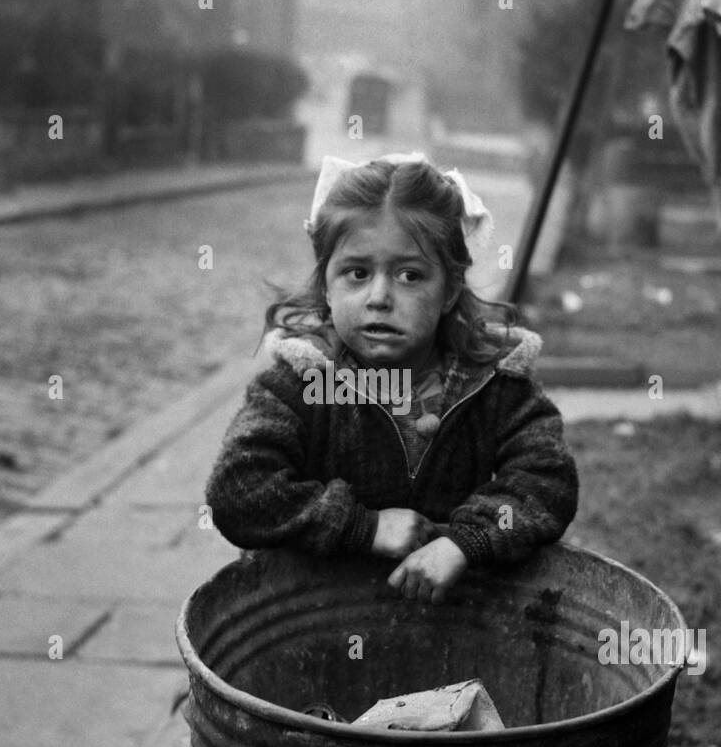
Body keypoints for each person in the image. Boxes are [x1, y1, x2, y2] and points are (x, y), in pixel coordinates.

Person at [203, 152, 579, 603]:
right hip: (321, 625)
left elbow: (547, 481)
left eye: (409, 275)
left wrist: (466, 542)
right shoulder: (300, 386)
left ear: (449, 290)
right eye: (357, 273)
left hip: (457, 626)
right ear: (326, 283)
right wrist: (364, 527)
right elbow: (238, 492)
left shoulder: (497, 387)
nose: (379, 297)